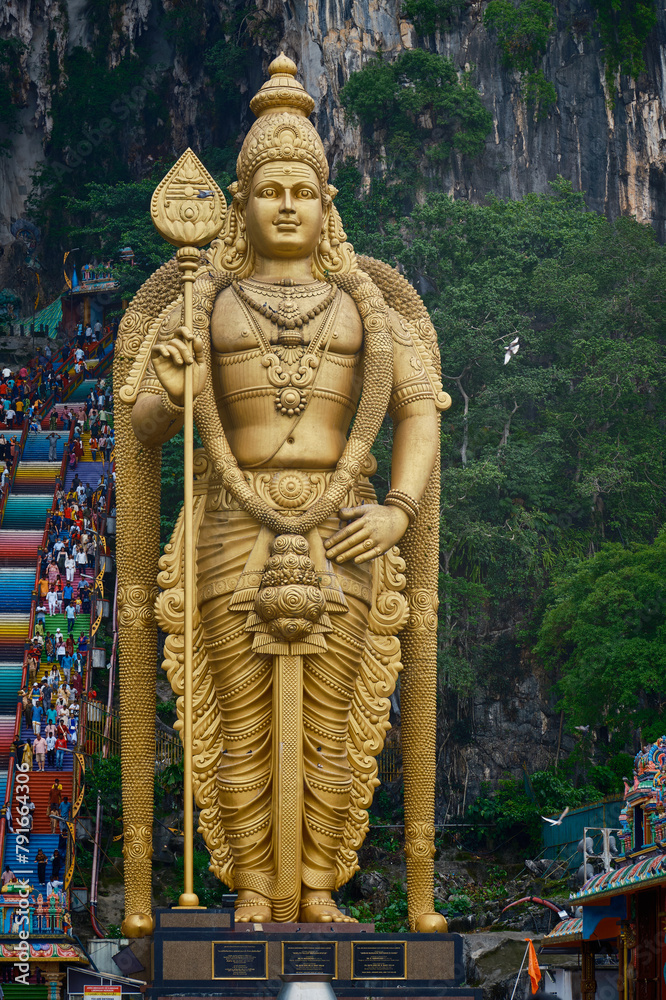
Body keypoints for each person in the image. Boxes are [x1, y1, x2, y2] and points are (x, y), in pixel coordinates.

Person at [119, 56, 447, 928]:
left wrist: (398, 510)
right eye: (272, 190)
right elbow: (145, 423)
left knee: (336, 722)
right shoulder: (207, 300)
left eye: (306, 188)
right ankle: (253, 887)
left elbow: (419, 411)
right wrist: (175, 384)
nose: (290, 204)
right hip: (231, 520)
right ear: (241, 202)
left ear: (327, 202)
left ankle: (317, 885)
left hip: (346, 526)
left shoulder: (369, 305)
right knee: (239, 719)